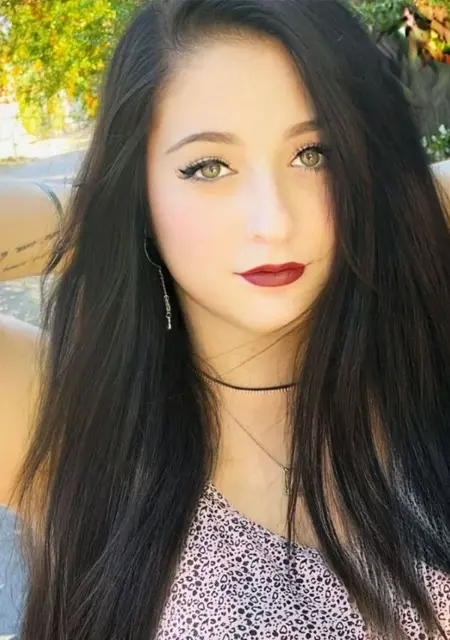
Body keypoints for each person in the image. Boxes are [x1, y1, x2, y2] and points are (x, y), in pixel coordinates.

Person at [0, 0, 449, 638]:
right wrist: (107, 214)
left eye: (315, 154)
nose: (273, 221)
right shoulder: (71, 418)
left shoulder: (423, 376)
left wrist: (395, 199)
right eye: (208, 167)